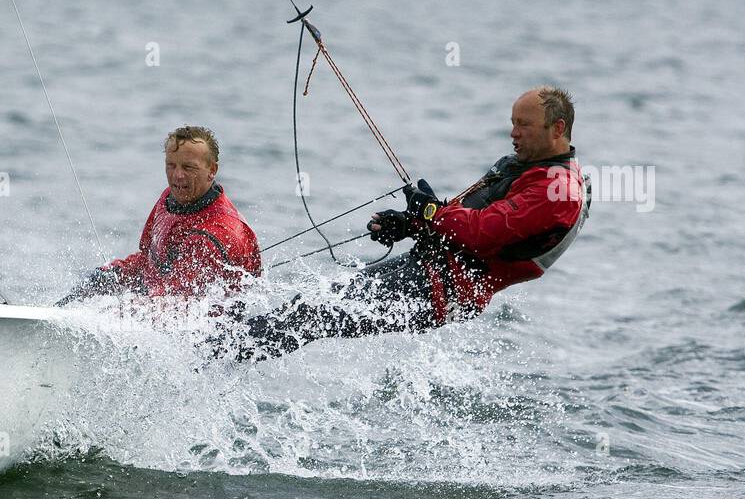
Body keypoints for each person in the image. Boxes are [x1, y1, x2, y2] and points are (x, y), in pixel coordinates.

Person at [227, 86, 590, 360]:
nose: (513, 133)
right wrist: (410, 224)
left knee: (311, 314)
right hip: (423, 270)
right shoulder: (525, 166)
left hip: (437, 293)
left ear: (557, 128)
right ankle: (217, 348)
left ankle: (211, 357)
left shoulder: (557, 192)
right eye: (513, 123)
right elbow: (459, 218)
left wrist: (429, 211)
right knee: (307, 306)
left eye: (523, 125)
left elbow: (480, 232)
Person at [59, 126, 261, 304]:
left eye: (189, 167)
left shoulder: (218, 234)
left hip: (207, 334)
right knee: (96, 281)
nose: (177, 175)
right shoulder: (169, 199)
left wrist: (110, 314)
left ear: (212, 170)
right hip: (160, 300)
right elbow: (148, 262)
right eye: (171, 165)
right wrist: (110, 275)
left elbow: (176, 302)